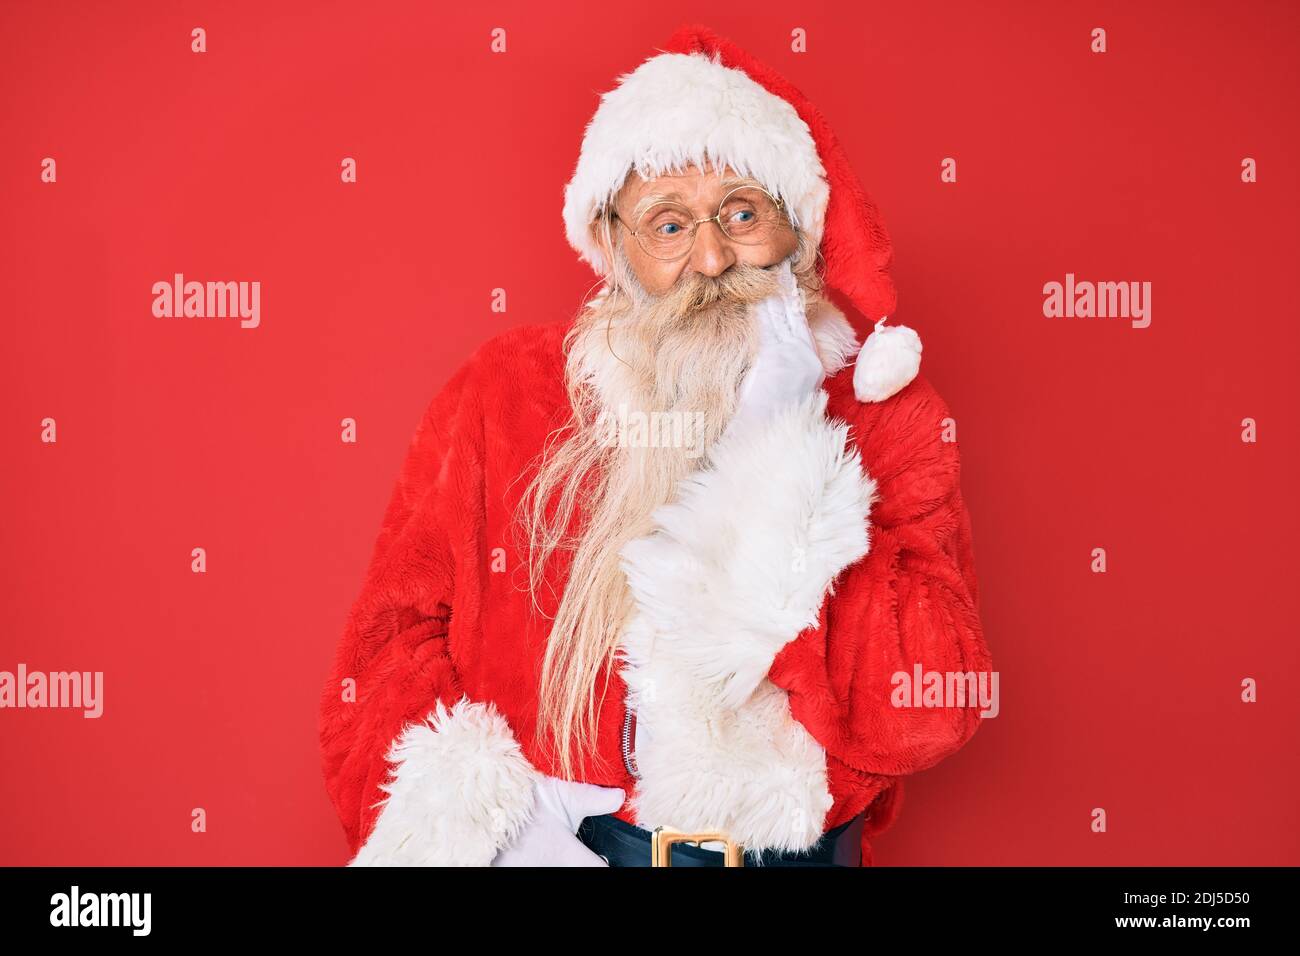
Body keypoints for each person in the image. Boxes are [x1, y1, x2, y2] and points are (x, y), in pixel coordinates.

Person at [318, 24, 993, 867]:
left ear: (801, 235)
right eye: (668, 225)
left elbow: (929, 708)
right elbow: (384, 647)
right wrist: (493, 835)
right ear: (612, 246)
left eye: (741, 214)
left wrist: (778, 451)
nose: (711, 258)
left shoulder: (882, 414)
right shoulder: (504, 392)